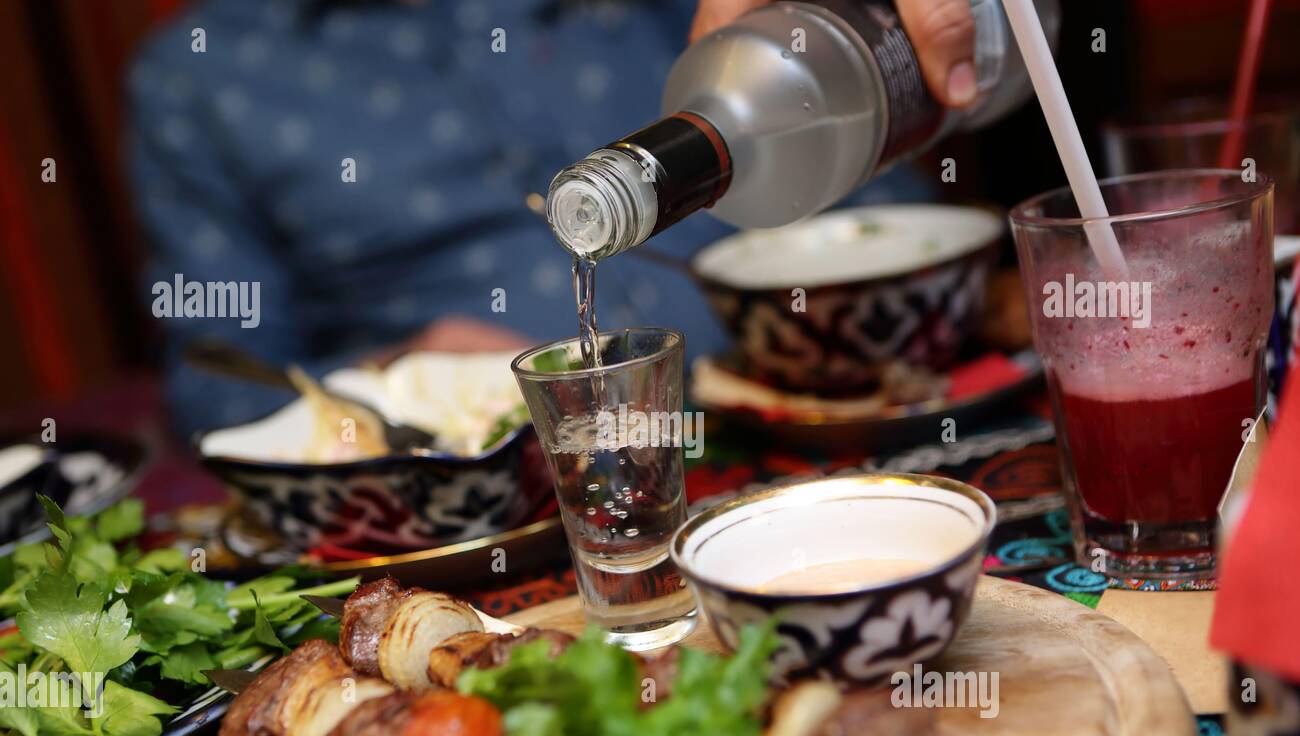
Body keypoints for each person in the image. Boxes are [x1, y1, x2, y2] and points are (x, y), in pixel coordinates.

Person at [129, 0, 974, 438]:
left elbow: (888, 191)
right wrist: (399, 376)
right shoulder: (205, 77)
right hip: (528, 512)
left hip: (854, 406)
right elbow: (222, 381)